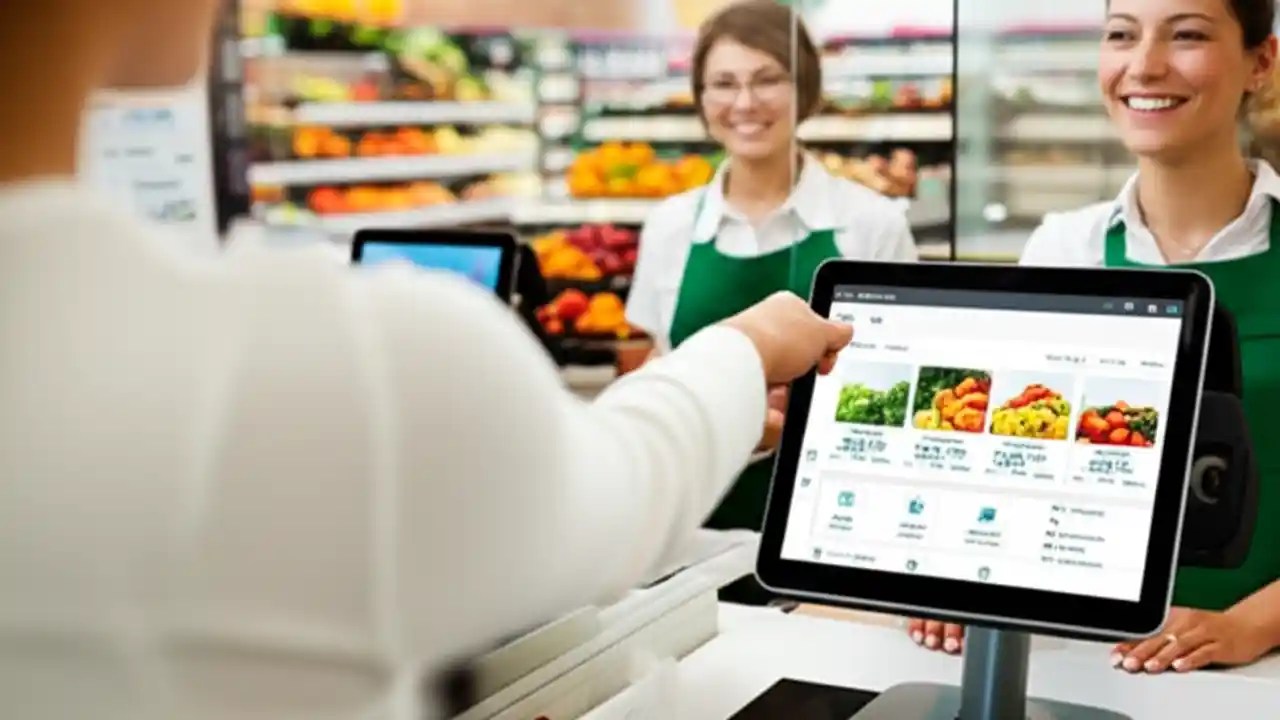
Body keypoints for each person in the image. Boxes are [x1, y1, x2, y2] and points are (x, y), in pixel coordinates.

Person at [0, 1, 855, 717]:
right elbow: (620, 494)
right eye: (725, 81)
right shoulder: (352, 360)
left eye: (767, 77)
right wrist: (743, 351)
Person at [907, 0, 1280, 675]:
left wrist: (1250, 626)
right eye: (1120, 35)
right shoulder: (1063, 247)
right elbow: (1006, 457)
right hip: (1072, 658)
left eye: (1187, 34)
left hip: (1257, 672)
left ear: (1262, 61)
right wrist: (959, 568)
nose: (1144, 65)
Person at [627, 0, 918, 531]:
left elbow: (904, 388)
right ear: (700, 97)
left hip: (832, 526)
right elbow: (658, 365)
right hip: (687, 531)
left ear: (803, 89)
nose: (744, 102)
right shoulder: (669, 227)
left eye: (767, 80)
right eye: (722, 83)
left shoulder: (871, 224)